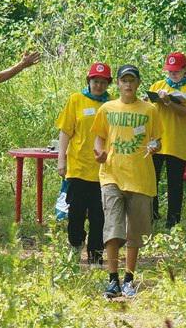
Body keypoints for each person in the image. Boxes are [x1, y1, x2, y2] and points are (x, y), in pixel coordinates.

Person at [91, 65, 162, 297]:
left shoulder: (150, 110)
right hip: (111, 175)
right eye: (124, 80)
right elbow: (99, 139)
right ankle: (113, 280)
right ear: (118, 84)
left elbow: (157, 141)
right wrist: (99, 153)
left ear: (138, 83)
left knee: (135, 232)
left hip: (140, 178)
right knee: (112, 227)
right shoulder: (107, 108)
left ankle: (129, 279)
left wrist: (154, 146)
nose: (128, 84)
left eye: (132, 80)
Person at [56, 62, 113, 266]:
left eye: (103, 82)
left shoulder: (112, 105)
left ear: (108, 84)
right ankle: (75, 246)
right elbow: (65, 132)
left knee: (99, 217)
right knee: (76, 214)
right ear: (88, 81)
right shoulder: (76, 100)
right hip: (78, 168)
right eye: (95, 81)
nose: (98, 85)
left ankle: (96, 255)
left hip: (103, 172)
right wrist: (61, 160)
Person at [149, 52, 186, 228]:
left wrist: (169, 102)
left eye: (177, 71)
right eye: (170, 71)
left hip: (177, 142)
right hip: (156, 141)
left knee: (175, 183)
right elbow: (149, 109)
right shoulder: (158, 85)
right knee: (151, 180)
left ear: (185, 69)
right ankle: (152, 215)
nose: (173, 74)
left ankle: (173, 221)